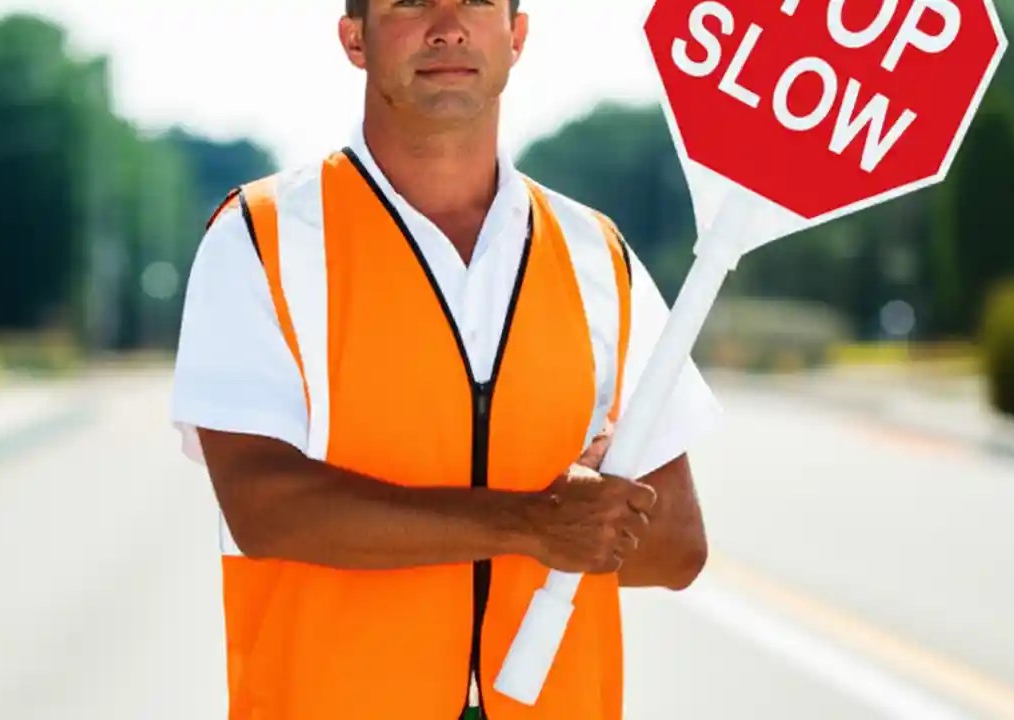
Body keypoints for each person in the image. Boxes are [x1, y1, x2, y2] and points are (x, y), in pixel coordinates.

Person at [170, 1, 724, 718]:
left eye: (477, 2)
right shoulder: (261, 237)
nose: (448, 25)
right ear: (354, 38)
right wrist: (532, 522)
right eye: (409, 2)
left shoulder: (597, 255)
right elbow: (265, 509)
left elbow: (678, 546)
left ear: (517, 36)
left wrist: (598, 514)